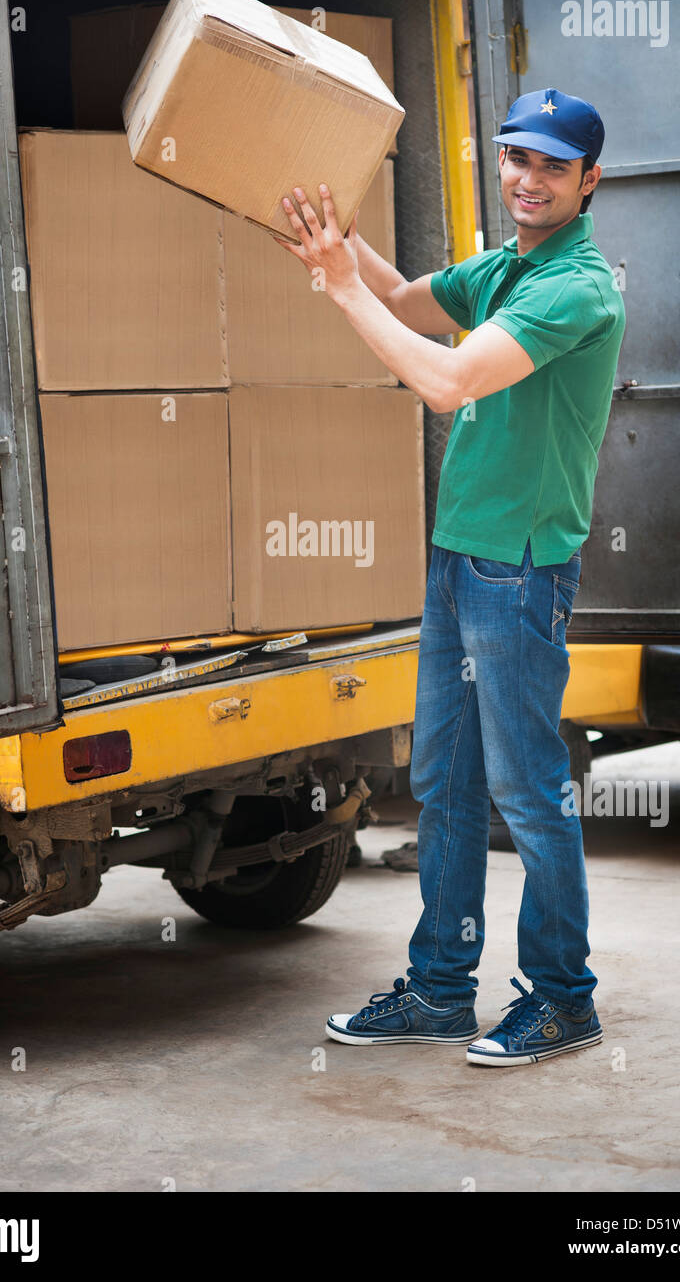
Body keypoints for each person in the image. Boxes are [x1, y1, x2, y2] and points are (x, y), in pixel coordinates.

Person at [276, 86, 625, 1066]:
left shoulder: (575, 286)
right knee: (447, 783)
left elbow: (443, 381)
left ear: (589, 180)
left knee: (528, 792)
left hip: (517, 573)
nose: (527, 179)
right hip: (459, 557)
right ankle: (438, 990)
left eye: (552, 165)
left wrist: (333, 285)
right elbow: (399, 299)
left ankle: (562, 997)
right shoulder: (511, 265)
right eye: (517, 158)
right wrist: (339, 242)